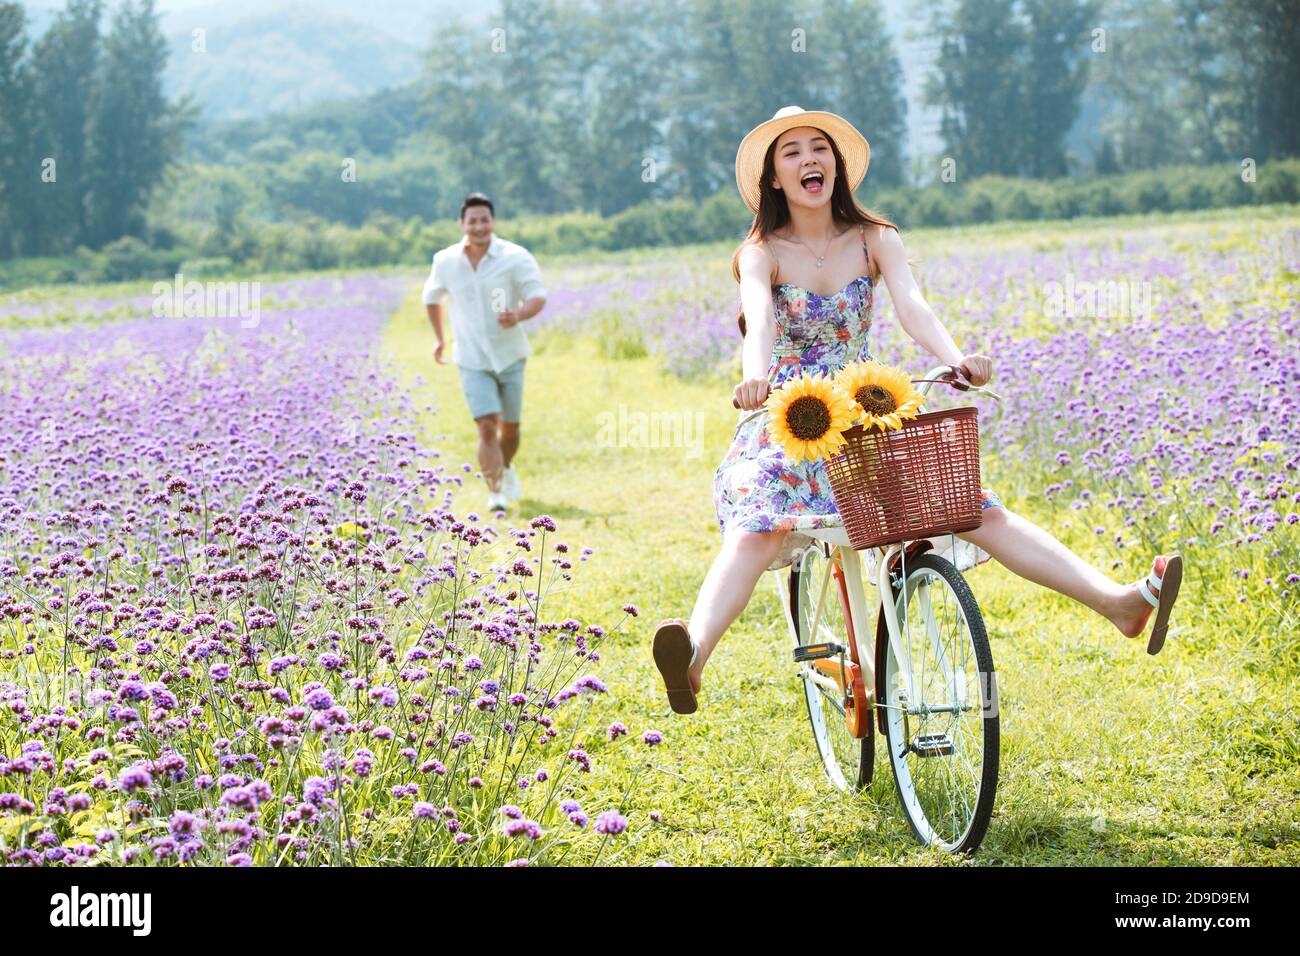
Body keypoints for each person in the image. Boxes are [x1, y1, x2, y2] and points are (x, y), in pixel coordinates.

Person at [651, 106, 1185, 715]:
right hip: (794, 415)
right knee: (758, 524)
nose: (809, 160)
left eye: (819, 148)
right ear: (775, 177)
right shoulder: (761, 252)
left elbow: (913, 307)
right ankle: (692, 658)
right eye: (792, 152)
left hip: (865, 406)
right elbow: (762, 322)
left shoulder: (875, 238)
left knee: (971, 508)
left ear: (837, 163)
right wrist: (754, 377)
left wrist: (957, 358)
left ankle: (1120, 603)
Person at [422, 192, 548, 511]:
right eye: (472, 220)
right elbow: (432, 298)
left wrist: (518, 315)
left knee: (511, 427)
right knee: (487, 425)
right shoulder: (446, 261)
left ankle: (506, 468)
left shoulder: (515, 256)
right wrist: (440, 339)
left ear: (493, 222)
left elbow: (537, 296)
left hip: (509, 355)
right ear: (462, 224)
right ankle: (496, 495)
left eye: (485, 220)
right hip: (471, 357)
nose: (479, 226)